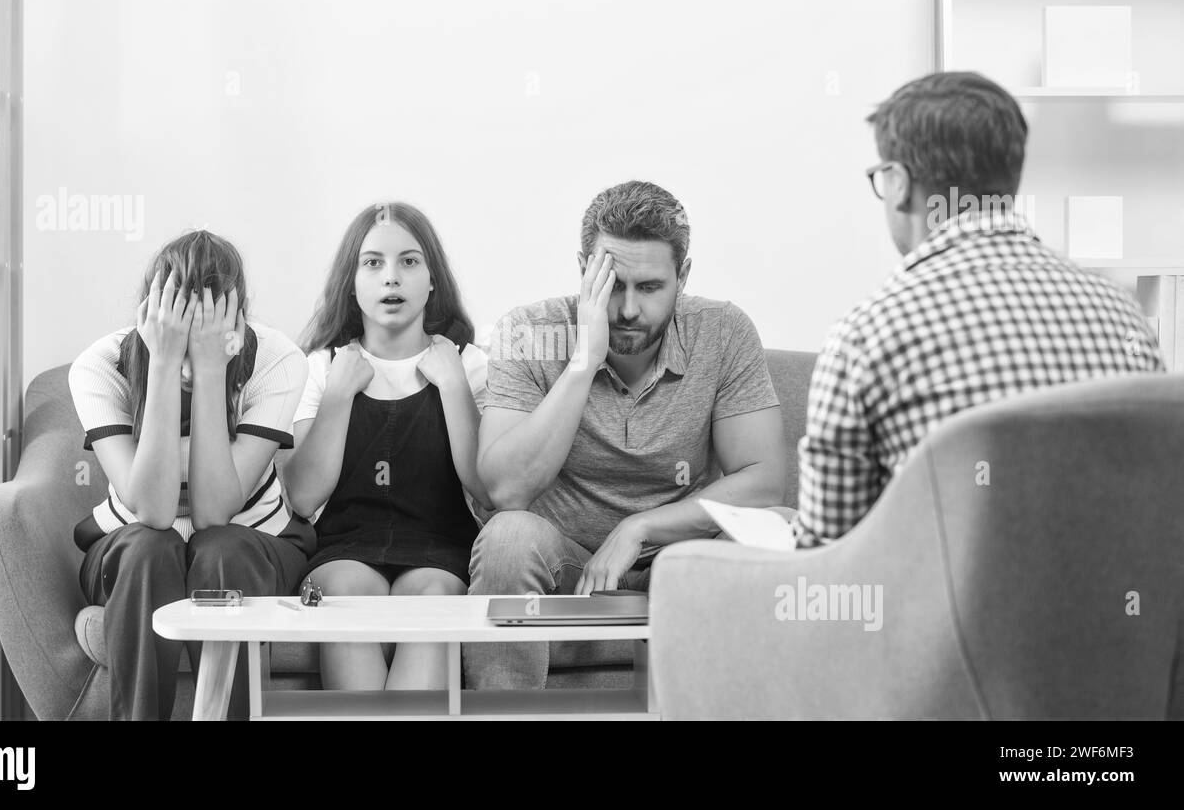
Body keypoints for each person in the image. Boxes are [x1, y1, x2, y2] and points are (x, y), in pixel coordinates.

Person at [792, 71, 1166, 547]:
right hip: (1123, 616)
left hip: (956, 620)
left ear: (900, 183)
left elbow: (828, 554)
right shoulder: (1123, 313)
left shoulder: (867, 333)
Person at [466, 180, 786, 690]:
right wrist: (583, 362)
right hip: (565, 563)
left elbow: (764, 481)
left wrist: (638, 529)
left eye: (651, 287)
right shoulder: (528, 330)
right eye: (613, 284)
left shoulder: (723, 331)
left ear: (683, 276)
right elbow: (506, 492)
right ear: (583, 269)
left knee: (776, 530)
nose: (629, 310)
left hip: (678, 558)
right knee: (508, 537)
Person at [69, 230, 312, 720]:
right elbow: (153, 511)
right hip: (131, 545)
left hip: (250, 540)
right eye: (178, 325)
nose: (189, 340)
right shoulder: (100, 364)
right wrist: (161, 360)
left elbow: (214, 511)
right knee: (146, 548)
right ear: (150, 315)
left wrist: (209, 367)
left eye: (207, 325)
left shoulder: (277, 358)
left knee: (223, 545)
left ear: (237, 321)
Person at [284, 202, 490, 691]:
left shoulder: (471, 364)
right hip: (343, 549)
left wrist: (454, 387)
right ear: (351, 281)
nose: (391, 278)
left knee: (435, 596)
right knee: (345, 592)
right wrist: (337, 394)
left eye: (409, 261)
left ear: (432, 278)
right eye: (373, 263)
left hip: (440, 549)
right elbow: (303, 496)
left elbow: (487, 490)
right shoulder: (319, 368)